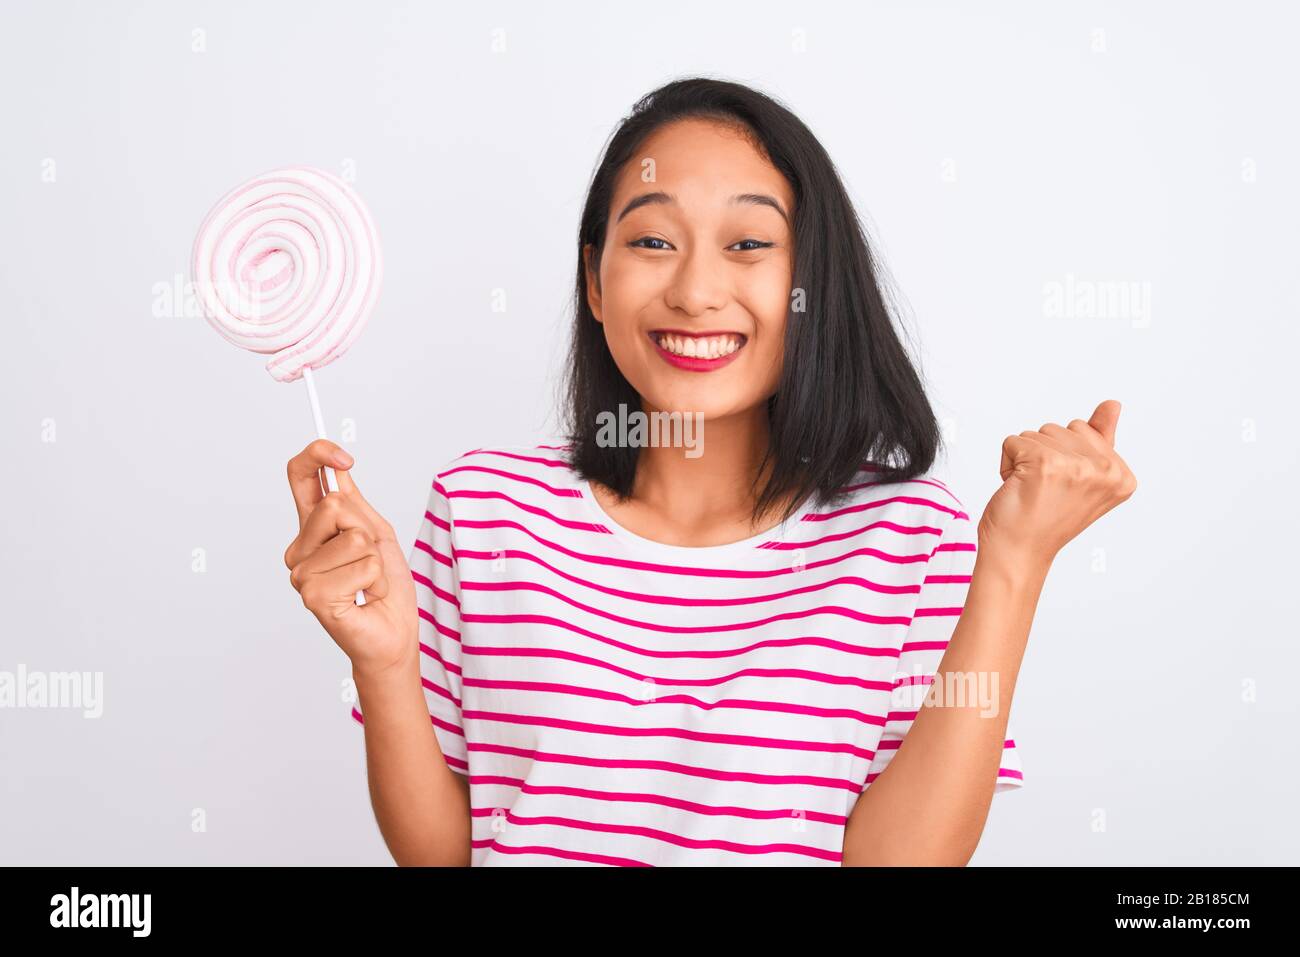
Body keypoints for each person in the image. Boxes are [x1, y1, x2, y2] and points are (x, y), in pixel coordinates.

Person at [282, 77, 1137, 866]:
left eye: (748, 243)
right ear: (593, 278)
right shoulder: (485, 512)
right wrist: (386, 663)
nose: (695, 290)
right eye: (653, 239)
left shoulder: (912, 539)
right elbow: (444, 856)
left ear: (811, 282)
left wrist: (1016, 561)